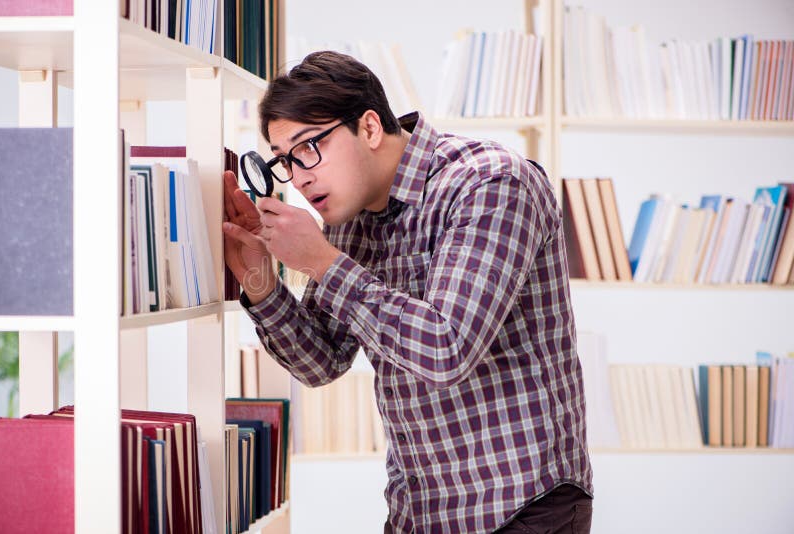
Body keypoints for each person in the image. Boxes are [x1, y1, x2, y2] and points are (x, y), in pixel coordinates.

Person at [222, 50, 593, 534]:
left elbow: (447, 348)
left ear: (370, 128)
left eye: (308, 146)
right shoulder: (348, 220)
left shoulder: (491, 183)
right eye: (286, 161)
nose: (301, 174)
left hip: (520, 504)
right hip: (421, 509)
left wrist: (320, 261)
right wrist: (262, 281)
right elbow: (322, 361)